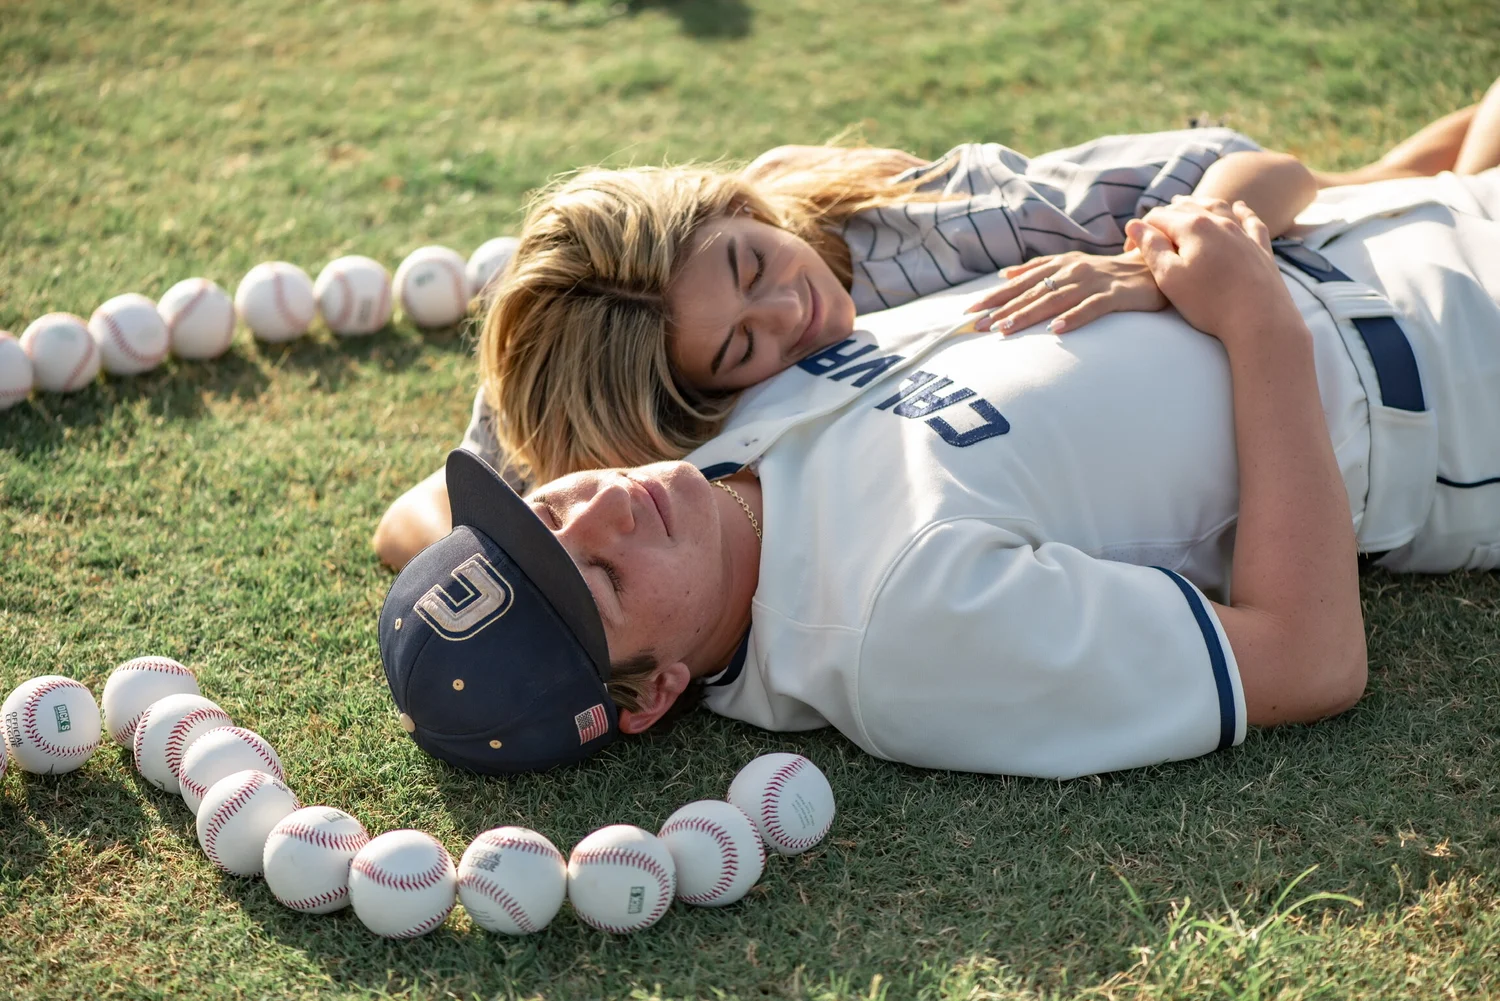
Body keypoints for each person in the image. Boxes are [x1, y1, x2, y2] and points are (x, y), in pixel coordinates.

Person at [376, 169, 1500, 778]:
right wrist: (1256, 321)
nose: (608, 509)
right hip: (1455, 375)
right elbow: (1309, 659)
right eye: (601, 581)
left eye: (548, 513)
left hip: (1379, 228)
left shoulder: (718, 420)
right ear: (659, 690)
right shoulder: (898, 633)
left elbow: (438, 498)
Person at [373, 84, 1500, 570]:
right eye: (742, 349)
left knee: (1383, 184)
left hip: (1318, 255)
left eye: (752, 262)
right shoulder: (623, 377)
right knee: (1431, 177)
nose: (789, 310)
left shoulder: (931, 231)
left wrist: (1143, 267)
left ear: (739, 205)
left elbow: (1267, 173)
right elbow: (419, 516)